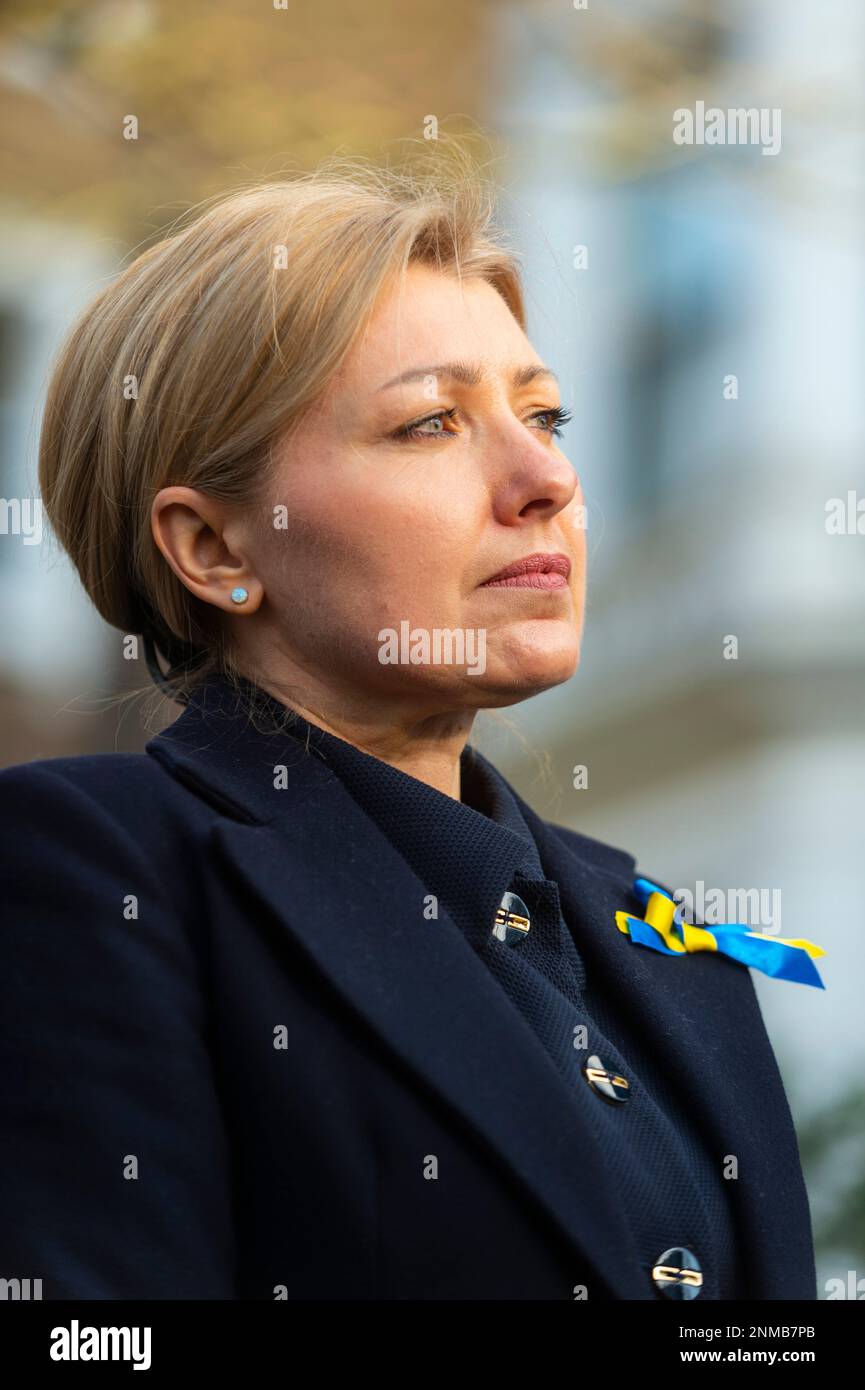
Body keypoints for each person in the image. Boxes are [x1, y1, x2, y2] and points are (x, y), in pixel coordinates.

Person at [0, 153, 817, 1301]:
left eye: (545, 414)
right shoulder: (91, 875)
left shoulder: (657, 928)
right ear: (217, 550)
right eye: (432, 423)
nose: (545, 478)